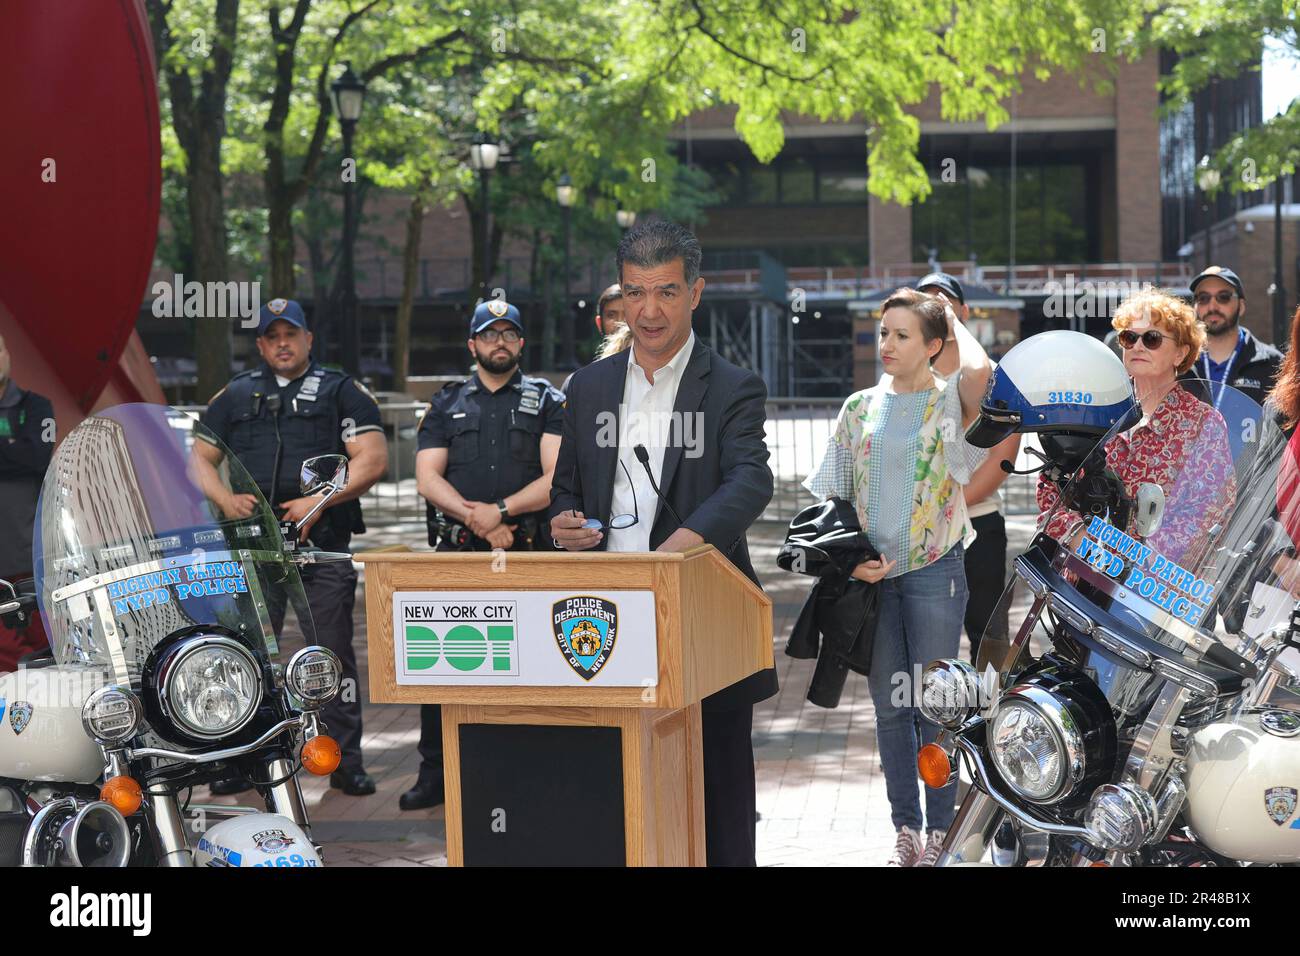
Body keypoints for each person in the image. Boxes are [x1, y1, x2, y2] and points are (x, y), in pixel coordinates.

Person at [549, 219, 776, 867]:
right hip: (600, 625)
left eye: (667, 292)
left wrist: (678, 549)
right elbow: (565, 490)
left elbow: (750, 479)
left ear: (696, 293)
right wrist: (564, 523)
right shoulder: (588, 388)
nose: (649, 310)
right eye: (635, 292)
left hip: (705, 621)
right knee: (614, 796)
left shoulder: (732, 387)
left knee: (718, 802)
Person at [805, 286, 991, 867]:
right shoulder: (859, 406)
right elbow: (831, 493)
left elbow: (981, 368)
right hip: (873, 581)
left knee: (935, 703)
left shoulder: (948, 402)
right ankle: (906, 831)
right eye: (884, 332)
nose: (887, 343)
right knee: (890, 706)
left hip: (937, 571)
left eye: (902, 334)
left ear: (934, 345)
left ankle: (942, 831)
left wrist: (949, 316)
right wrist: (851, 558)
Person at [198, 298, 389, 796]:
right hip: (252, 549)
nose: (282, 343)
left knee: (330, 656)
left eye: (291, 334)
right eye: (272, 336)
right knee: (241, 655)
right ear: (261, 345)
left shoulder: (341, 391)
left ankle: (342, 761)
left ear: (308, 340)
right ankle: (241, 758)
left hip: (318, 545)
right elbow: (196, 457)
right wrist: (223, 496)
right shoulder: (237, 395)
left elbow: (371, 459)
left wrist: (321, 499)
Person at [404, 299, 564, 810]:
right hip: (459, 554)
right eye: (489, 334)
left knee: (533, 663)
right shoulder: (447, 402)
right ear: (472, 344)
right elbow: (428, 476)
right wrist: (478, 518)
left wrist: (501, 510)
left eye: (509, 334)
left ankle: (531, 771)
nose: (500, 342)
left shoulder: (546, 401)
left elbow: (556, 477)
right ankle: (436, 774)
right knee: (440, 661)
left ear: (520, 343)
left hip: (529, 552)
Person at [1038, 290, 1235, 569]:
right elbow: (1051, 484)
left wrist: (1133, 561)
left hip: (1155, 592)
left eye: (1152, 339)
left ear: (1180, 353)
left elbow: (1211, 512)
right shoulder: (1093, 411)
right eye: (1129, 337)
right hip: (1081, 582)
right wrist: (1079, 539)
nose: (1137, 346)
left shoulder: (1203, 423)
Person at [916, 272, 1020, 663]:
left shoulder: (989, 374)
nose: (933, 311)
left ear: (963, 310)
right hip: (918, 531)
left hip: (978, 523)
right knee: (924, 640)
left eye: (943, 303)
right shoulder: (905, 379)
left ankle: (989, 718)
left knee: (987, 637)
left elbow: (1001, 460)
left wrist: (949, 506)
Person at [0, 332, 55, 672]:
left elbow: (37, 456)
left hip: (26, 552)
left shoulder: (38, 406)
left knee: (40, 649)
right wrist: (11, 445)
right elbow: (23, 453)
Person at [1180, 266, 1281, 409]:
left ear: (1241, 306)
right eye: (1203, 298)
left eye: (1223, 297)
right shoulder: (1179, 364)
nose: (1212, 306)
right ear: (1195, 307)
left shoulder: (1274, 365)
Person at [562, 285, 629, 393]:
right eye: (611, 315)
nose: (620, 322)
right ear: (599, 323)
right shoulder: (579, 383)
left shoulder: (658, 376)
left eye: (627, 314)